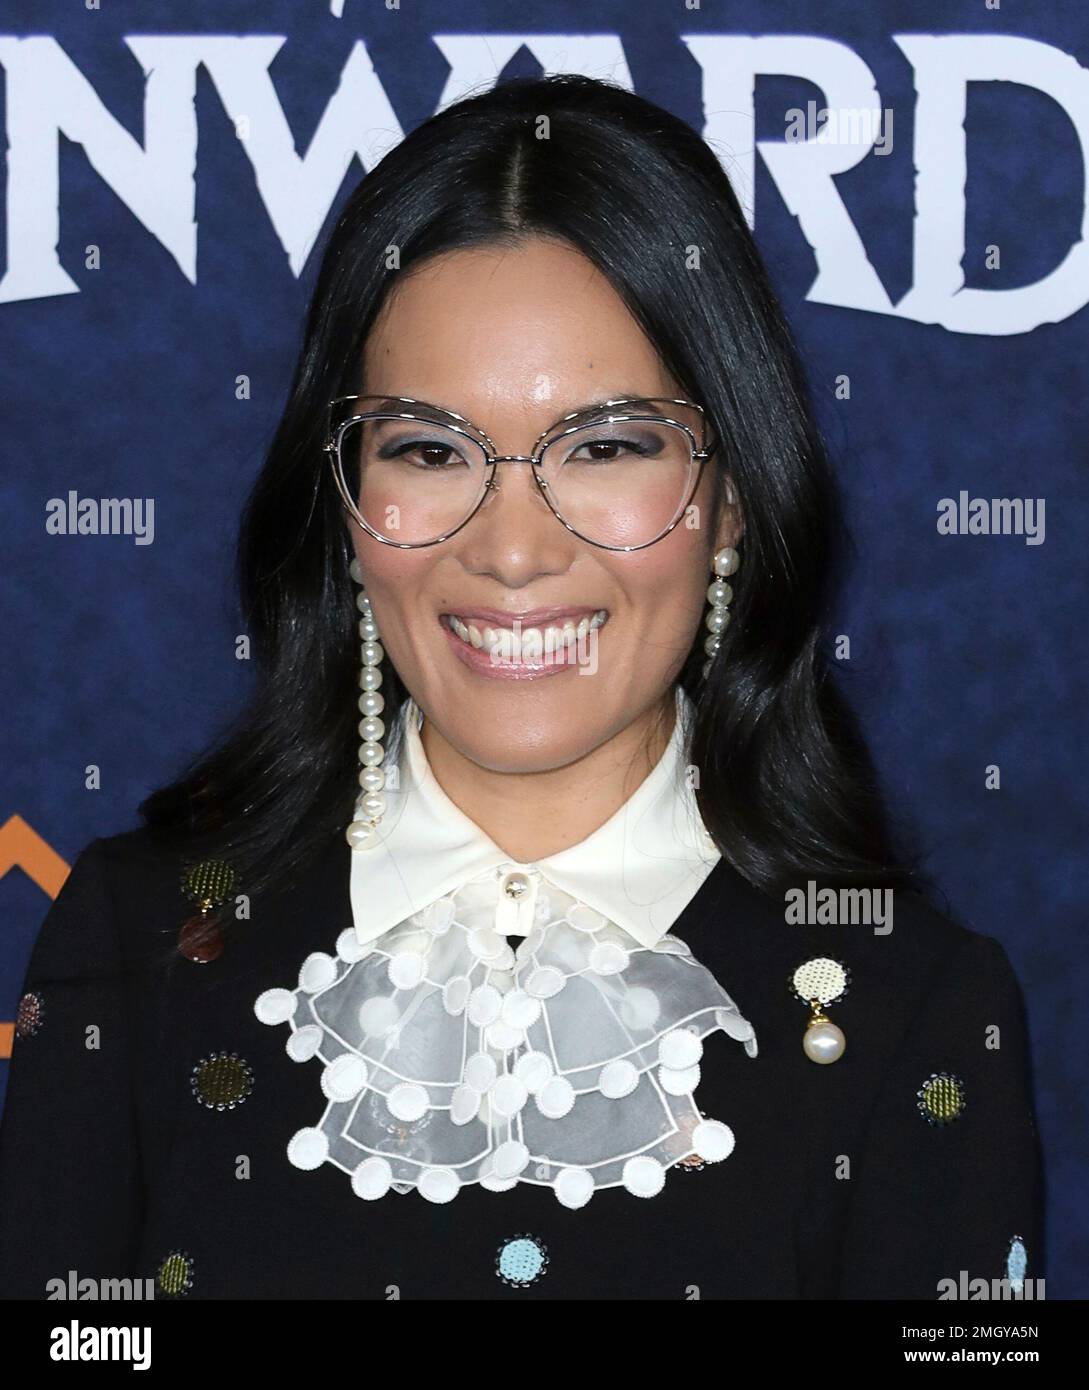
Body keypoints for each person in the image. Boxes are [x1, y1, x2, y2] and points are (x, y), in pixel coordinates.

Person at [0, 74, 1043, 1300]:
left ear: (732, 503)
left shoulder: (913, 1008)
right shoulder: (138, 941)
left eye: (604, 447)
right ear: (344, 507)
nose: (510, 550)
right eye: (430, 451)